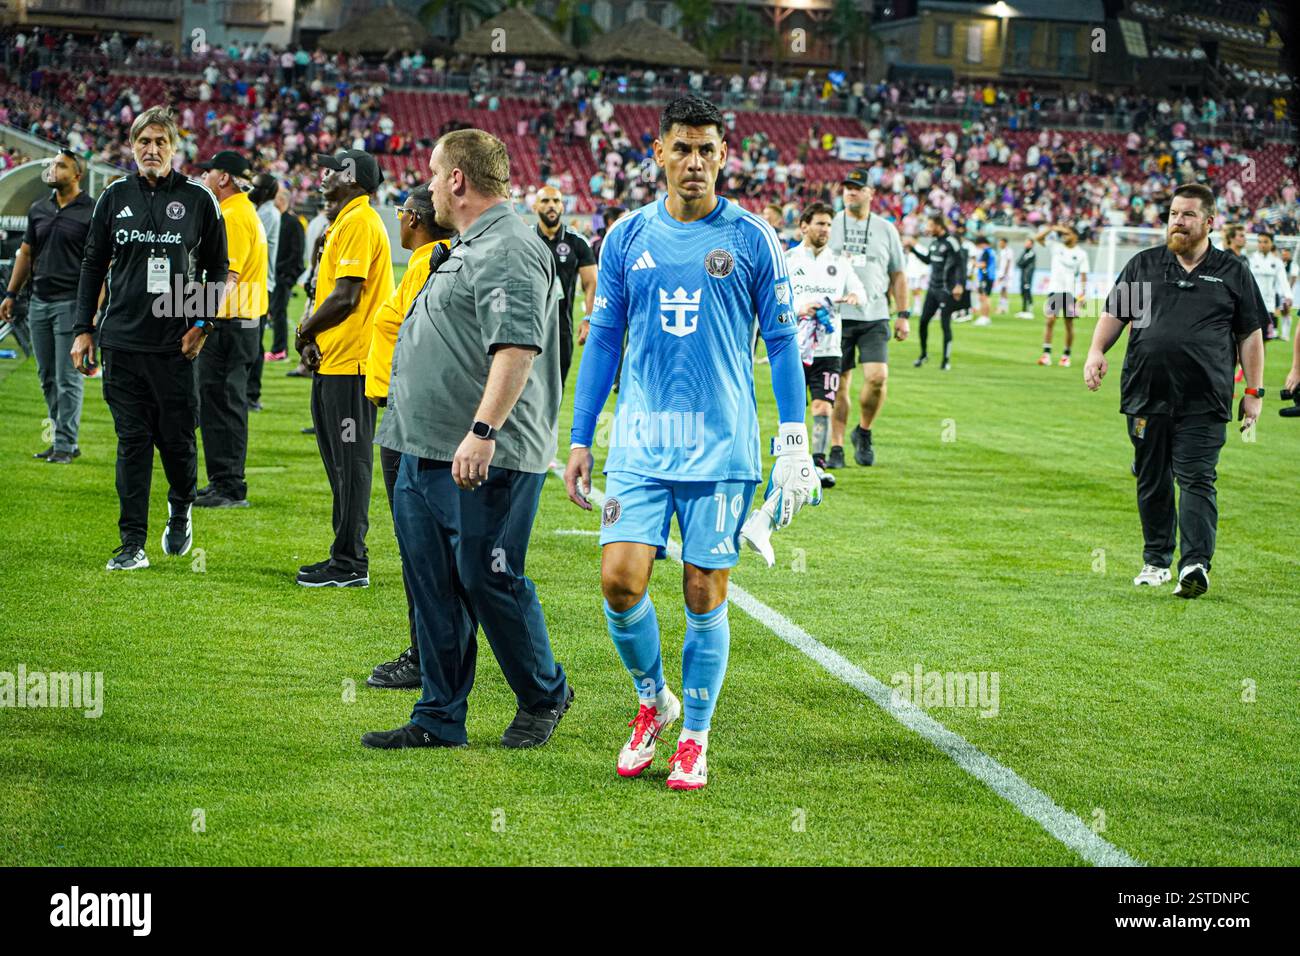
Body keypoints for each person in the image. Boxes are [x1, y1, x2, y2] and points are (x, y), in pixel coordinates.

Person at [563, 96, 818, 791]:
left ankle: (695, 737)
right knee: (619, 582)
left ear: (724, 156)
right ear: (659, 154)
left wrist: (793, 442)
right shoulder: (624, 238)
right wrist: (581, 437)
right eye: (682, 148)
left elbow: (784, 341)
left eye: (707, 149)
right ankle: (654, 702)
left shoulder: (751, 238)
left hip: (722, 450)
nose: (696, 162)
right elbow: (604, 340)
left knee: (704, 592)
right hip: (641, 444)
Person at [363, 128, 572, 751]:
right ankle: (438, 716)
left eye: (433, 172)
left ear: (457, 179)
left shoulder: (508, 245)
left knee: (488, 577)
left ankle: (544, 692)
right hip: (424, 448)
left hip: (487, 454)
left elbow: (516, 348)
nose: (427, 183)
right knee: (432, 583)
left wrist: (483, 431)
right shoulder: (467, 243)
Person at [1083, 183, 1266, 599]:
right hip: (1147, 394)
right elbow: (1115, 313)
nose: (1177, 222)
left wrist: (1254, 391)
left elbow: (1250, 335)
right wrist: (1096, 351)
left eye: (1186, 215)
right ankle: (1156, 560)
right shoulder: (1144, 265)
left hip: (1206, 398)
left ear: (1209, 221)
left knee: (1197, 478)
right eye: (1172, 214)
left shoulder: (1233, 272)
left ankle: (1195, 564)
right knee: (1152, 478)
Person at [71, 106, 229, 571]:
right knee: (132, 441)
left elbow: (218, 269)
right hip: (121, 341)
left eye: (161, 142)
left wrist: (202, 323)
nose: (152, 150)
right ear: (132, 146)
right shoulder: (113, 196)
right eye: (144, 142)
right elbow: (93, 265)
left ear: (174, 148)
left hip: (174, 345)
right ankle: (131, 543)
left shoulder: (200, 198)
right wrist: (84, 328)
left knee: (179, 444)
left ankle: (181, 505)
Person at [364, 186, 454, 691]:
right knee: (425, 546)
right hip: (403, 414)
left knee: (420, 545)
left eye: (399, 214)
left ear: (414, 217)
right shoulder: (425, 259)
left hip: (412, 419)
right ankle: (429, 651)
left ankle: (426, 656)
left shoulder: (428, 261)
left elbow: (415, 335)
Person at [294, 150, 394, 588]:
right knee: (339, 463)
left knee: (351, 464)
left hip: (353, 364)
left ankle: (352, 562)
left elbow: (346, 297)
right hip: (336, 359)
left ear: (352, 178)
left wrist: (303, 331)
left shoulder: (358, 221)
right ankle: (343, 553)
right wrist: (315, 339)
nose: (322, 176)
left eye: (330, 169)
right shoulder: (346, 220)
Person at [1, 148, 92, 464]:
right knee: (47, 377)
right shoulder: (38, 209)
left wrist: (93, 310)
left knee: (68, 377)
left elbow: (101, 265)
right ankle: (63, 440)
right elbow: (25, 254)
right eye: (53, 164)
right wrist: (11, 293)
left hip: (71, 304)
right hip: (39, 301)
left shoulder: (91, 211)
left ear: (77, 174)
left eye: (61, 166)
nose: (53, 170)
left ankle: (65, 445)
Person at [193, 150, 267, 509]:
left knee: (222, 403)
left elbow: (228, 277)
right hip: (240, 322)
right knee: (224, 402)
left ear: (223, 178)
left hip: (229, 323)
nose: (204, 178)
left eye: (209, 172)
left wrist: (202, 321)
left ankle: (229, 485)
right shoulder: (243, 212)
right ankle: (222, 480)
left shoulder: (234, 216)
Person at [827, 168, 908, 468]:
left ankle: (863, 431)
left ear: (871, 193)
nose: (851, 192)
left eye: (858, 188)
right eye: (847, 187)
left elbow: (898, 274)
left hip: (875, 315)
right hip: (837, 315)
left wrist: (903, 314)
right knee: (839, 383)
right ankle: (836, 447)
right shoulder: (831, 223)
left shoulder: (887, 229)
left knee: (877, 378)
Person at [787, 201, 865, 486]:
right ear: (804, 226)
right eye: (820, 223)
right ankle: (792, 462)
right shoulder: (788, 261)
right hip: (794, 348)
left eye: (829, 224)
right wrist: (799, 308)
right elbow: (774, 300)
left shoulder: (840, 263)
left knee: (822, 408)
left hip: (829, 349)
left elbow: (859, 289)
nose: (825, 229)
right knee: (793, 409)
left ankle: (817, 465)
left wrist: (855, 296)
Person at [534, 184, 596, 387]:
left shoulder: (577, 242)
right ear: (535, 206)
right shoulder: (525, 239)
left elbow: (591, 283)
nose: (551, 205)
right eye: (545, 201)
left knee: (555, 392)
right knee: (524, 394)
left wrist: (588, 318)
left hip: (562, 329)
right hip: (528, 326)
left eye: (556, 201)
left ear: (562, 207)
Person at [909, 214, 964, 370]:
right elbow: (928, 260)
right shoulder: (934, 243)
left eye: (930, 225)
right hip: (932, 289)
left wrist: (959, 284)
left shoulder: (951, 242)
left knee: (945, 325)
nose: (928, 228)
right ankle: (923, 354)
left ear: (939, 226)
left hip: (946, 289)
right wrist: (912, 249)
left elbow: (960, 264)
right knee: (923, 322)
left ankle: (946, 360)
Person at [245, 173, 280, 411]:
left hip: (258, 286)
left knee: (253, 342)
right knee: (250, 341)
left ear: (266, 191)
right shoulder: (265, 211)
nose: (251, 189)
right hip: (256, 285)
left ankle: (251, 394)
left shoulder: (267, 213)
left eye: (255, 186)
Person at [1035, 225, 1088, 367]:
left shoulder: (1081, 254)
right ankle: (1046, 355)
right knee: (1050, 320)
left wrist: (1083, 295)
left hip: (1070, 292)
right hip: (1055, 290)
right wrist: (1052, 228)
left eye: (1068, 234)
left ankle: (1066, 356)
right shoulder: (1056, 247)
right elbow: (1038, 238)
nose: (1065, 236)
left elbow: (1083, 275)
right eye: (1064, 234)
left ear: (1075, 236)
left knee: (1068, 323)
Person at [265, 186, 304, 363]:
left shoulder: (293, 222)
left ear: (282, 200)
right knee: (274, 312)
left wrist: (286, 274)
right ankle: (279, 349)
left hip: (282, 277)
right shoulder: (278, 219)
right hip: (275, 275)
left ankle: (280, 350)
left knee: (278, 312)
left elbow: (296, 253)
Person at [1247, 232, 1288, 342]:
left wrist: (1288, 296)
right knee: (1248, 338)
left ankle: (1261, 360)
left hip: (1268, 306)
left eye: (1265, 242)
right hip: (1251, 305)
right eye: (1260, 242)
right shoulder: (1250, 260)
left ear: (1271, 244)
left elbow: (1283, 281)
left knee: (1263, 340)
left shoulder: (1277, 262)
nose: (1262, 245)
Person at [972, 235, 995, 327]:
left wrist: (974, 263)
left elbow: (983, 265)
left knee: (984, 297)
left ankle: (984, 317)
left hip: (986, 276)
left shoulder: (986, 252)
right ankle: (986, 317)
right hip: (989, 276)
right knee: (985, 296)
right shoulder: (992, 251)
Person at [1016, 237, 1037, 318]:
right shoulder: (1024, 252)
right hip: (1023, 275)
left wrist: (1021, 264)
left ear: (1031, 245)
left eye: (1027, 243)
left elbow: (1023, 263)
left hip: (1028, 276)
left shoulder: (1031, 253)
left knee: (1027, 291)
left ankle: (1029, 310)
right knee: (1022, 292)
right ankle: (1024, 310)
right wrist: (1021, 263)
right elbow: (1018, 262)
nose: (1026, 244)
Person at [993, 236, 1013, 316]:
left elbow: (1008, 263)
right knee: (1002, 290)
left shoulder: (1008, 251)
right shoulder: (1002, 251)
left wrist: (1004, 274)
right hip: (1002, 273)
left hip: (1006, 274)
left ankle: (1003, 308)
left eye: (1001, 243)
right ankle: (1003, 307)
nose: (999, 244)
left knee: (1003, 290)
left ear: (1005, 243)